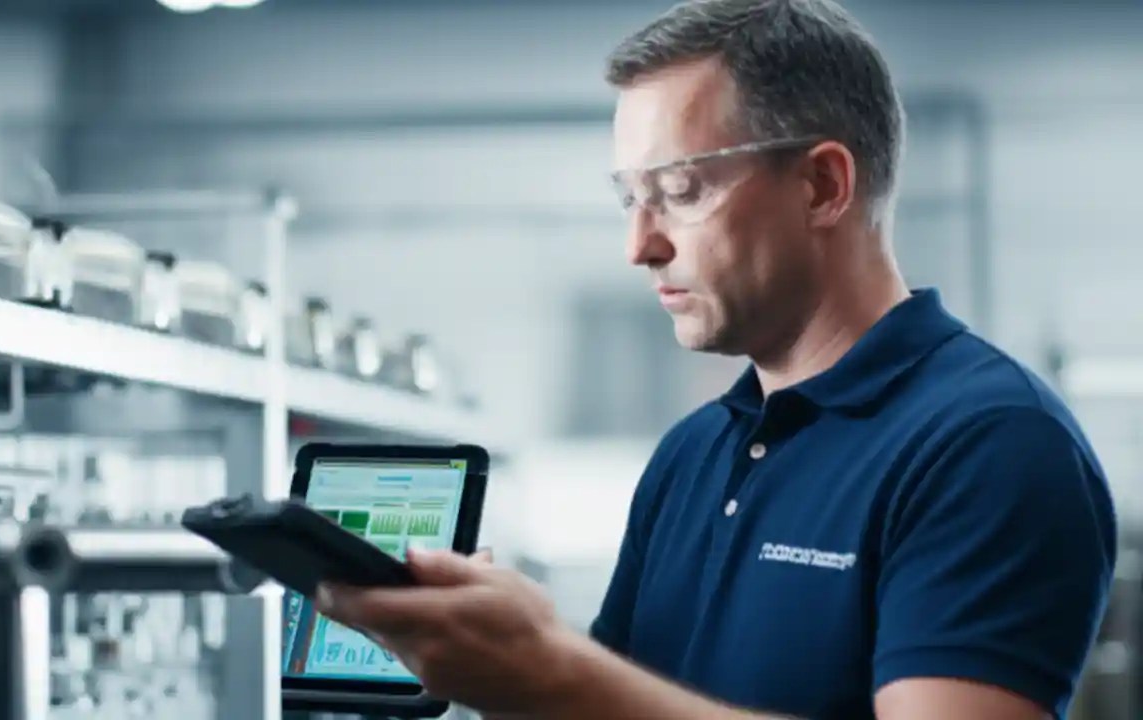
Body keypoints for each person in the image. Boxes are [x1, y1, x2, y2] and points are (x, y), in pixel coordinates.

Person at [315, 0, 1117, 717]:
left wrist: (553, 670)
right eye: (631, 198)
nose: (640, 245)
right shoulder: (693, 453)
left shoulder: (991, 443)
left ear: (822, 186)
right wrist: (501, 664)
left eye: (681, 191)